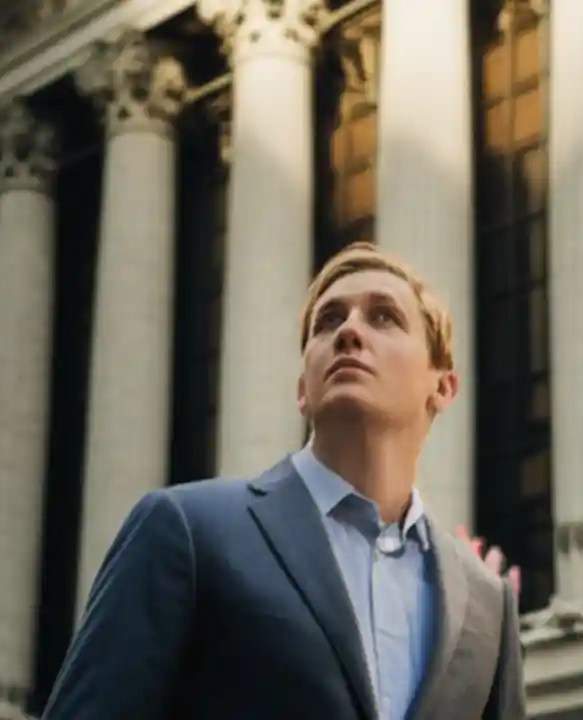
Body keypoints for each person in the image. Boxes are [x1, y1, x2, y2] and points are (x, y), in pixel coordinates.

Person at [43, 242, 526, 719]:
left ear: (442, 386)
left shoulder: (488, 603)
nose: (349, 331)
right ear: (302, 391)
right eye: (329, 321)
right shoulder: (186, 530)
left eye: (383, 317)